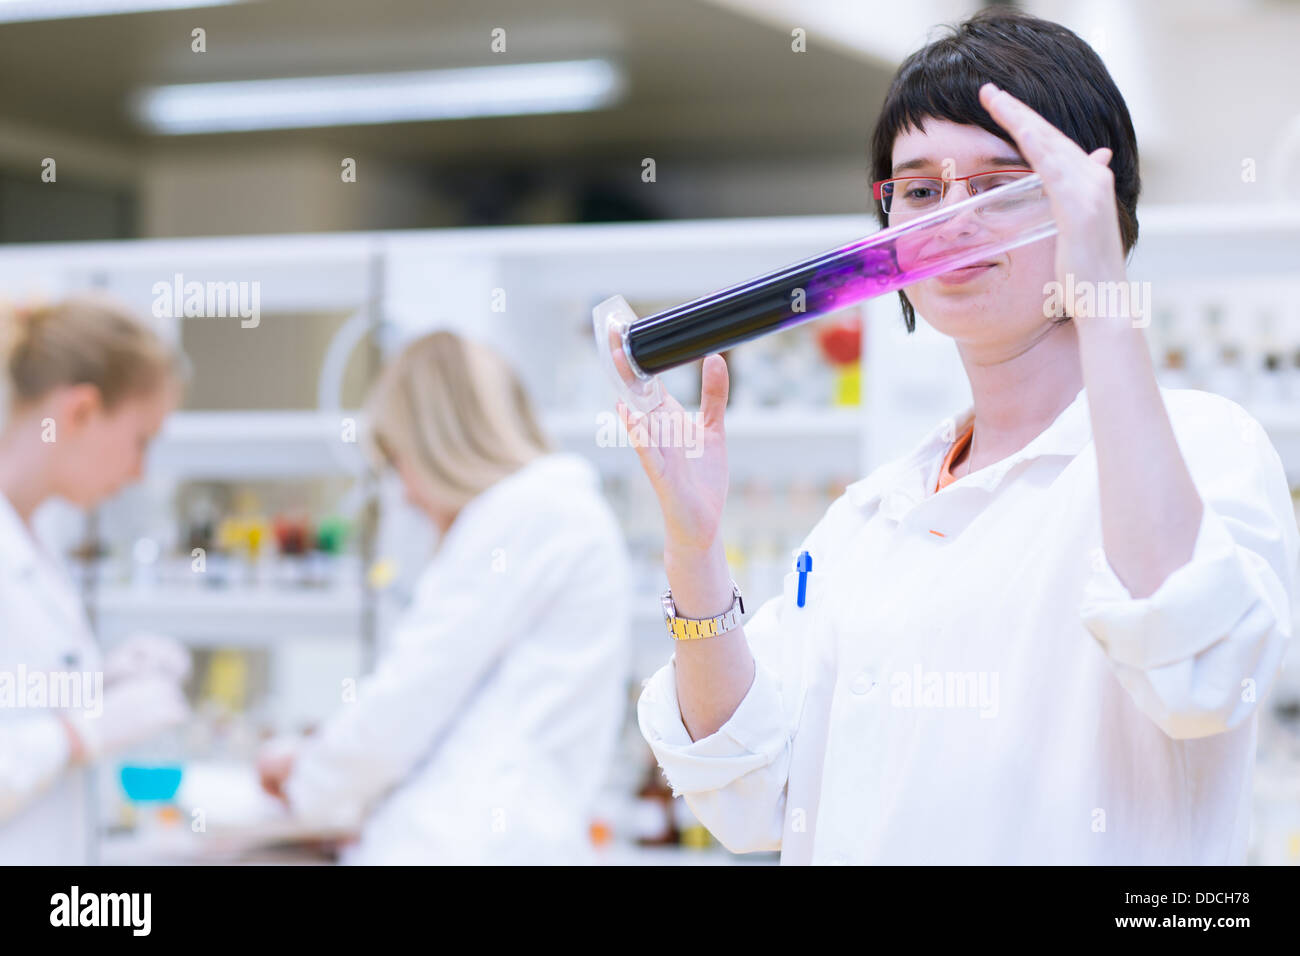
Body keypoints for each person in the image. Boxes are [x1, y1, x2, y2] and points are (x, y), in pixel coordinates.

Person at [628, 9, 1299, 864]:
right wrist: (694, 548)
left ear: (1091, 199)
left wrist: (1101, 288)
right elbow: (747, 794)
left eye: (1000, 184)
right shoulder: (871, 517)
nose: (949, 220)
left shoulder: (1205, 444)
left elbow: (1196, 675)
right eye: (918, 189)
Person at [258, 330, 630, 864]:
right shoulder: (551, 513)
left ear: (440, 447)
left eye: (398, 462)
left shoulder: (524, 515)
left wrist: (307, 778)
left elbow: (408, 700)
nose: (405, 492)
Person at [0, 295, 191, 865]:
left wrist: (93, 686)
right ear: (81, 412)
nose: (140, 471)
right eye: (141, 440)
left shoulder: (35, 543)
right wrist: (80, 732)